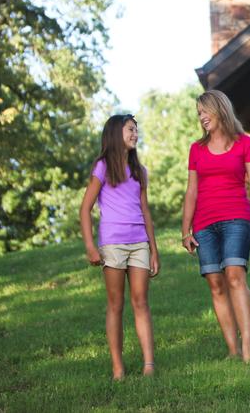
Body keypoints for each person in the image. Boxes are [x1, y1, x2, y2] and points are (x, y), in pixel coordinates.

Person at [182, 90, 250, 364]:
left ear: (219, 109)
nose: (201, 118)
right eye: (198, 114)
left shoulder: (244, 143)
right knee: (216, 285)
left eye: (204, 111)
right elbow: (191, 191)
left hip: (236, 218)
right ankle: (232, 350)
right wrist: (186, 229)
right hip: (204, 224)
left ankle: (248, 347)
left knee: (235, 276)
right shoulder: (196, 149)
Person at [79, 114, 159, 380]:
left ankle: (149, 365)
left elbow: (145, 211)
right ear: (116, 134)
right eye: (130, 130)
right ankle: (118, 368)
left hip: (139, 244)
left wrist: (154, 250)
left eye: (136, 130)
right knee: (115, 304)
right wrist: (91, 246)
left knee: (141, 302)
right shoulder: (102, 167)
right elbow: (85, 209)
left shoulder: (140, 171)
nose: (135, 134)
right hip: (112, 243)